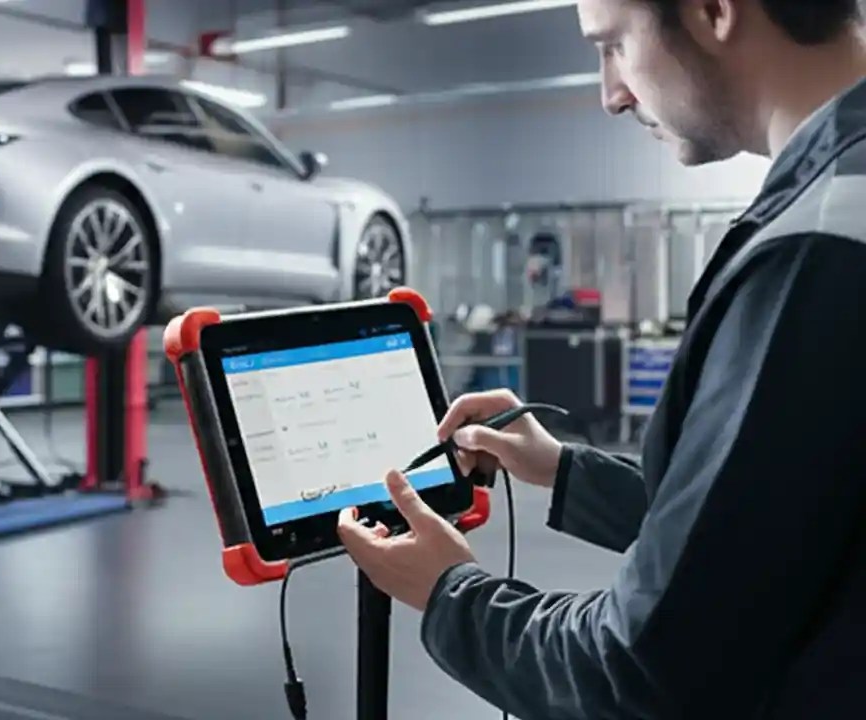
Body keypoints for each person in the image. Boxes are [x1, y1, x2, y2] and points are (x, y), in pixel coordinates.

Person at [337, 1, 866, 717]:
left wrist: (449, 593)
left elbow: (640, 674)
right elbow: (766, 523)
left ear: (713, 10)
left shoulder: (817, 248)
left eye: (614, 44)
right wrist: (564, 471)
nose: (610, 94)